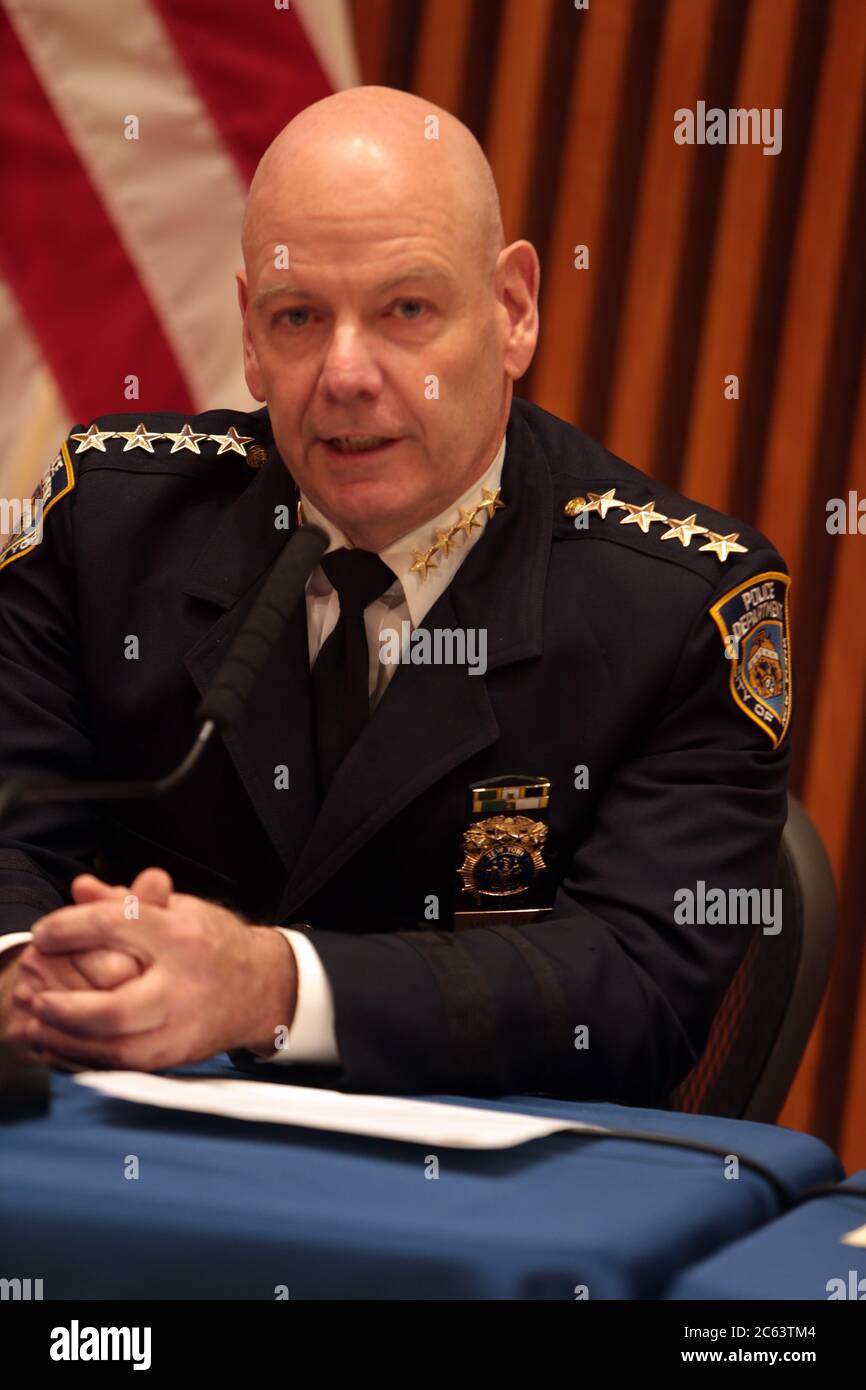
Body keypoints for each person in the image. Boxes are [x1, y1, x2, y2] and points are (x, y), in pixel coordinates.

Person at [0, 86, 791, 1102]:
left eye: (404, 310)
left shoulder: (684, 609)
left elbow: (633, 990)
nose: (344, 373)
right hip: (131, 1149)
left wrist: (276, 985)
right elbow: (12, 827)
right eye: (297, 318)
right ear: (248, 335)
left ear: (512, 311)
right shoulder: (106, 527)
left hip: (465, 1211)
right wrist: (33, 968)